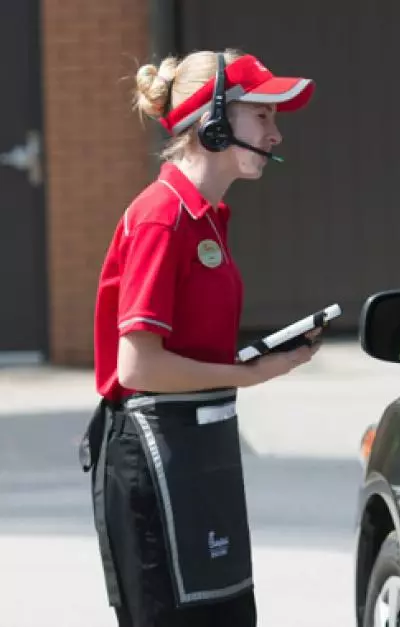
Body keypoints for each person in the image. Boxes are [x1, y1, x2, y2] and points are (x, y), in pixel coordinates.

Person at [79, 48, 318, 627]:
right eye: (262, 116)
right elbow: (138, 368)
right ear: (213, 122)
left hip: (196, 449)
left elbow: (184, 349)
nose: (276, 134)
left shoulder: (206, 216)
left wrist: (248, 360)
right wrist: (250, 374)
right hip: (155, 455)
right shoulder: (162, 216)